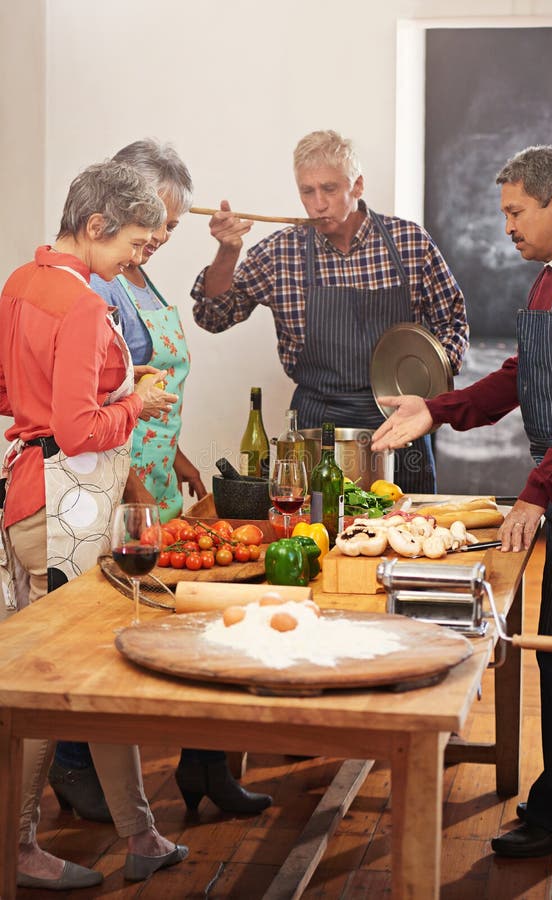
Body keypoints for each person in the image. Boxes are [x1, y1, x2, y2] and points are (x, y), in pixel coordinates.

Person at [371, 146, 552, 859]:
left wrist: (537, 491)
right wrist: (436, 408)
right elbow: (523, 374)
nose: (506, 226)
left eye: (515, 211)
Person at [50, 139, 272, 823]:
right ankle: (74, 764)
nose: (161, 238)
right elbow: (97, 396)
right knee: (99, 625)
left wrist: (172, 453)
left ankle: (205, 765)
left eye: (169, 226)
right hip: (115, 480)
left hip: (153, 466)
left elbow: (151, 381)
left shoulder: (138, 275)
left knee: (187, 621)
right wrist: (134, 490)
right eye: (155, 224)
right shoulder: (100, 280)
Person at [0, 159, 189, 889]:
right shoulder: (82, 304)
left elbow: (14, 391)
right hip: (68, 503)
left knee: (100, 665)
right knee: (48, 685)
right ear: (94, 226)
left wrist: (107, 390)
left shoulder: (21, 281)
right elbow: (80, 432)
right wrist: (136, 405)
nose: (140, 258)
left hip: (29, 496)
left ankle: (140, 834)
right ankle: (17, 848)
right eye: (136, 244)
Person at [190, 129, 469, 492]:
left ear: (358, 186)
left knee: (409, 532)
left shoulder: (410, 242)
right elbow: (213, 317)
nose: (318, 203)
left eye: (330, 189)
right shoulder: (280, 253)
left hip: (399, 421)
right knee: (317, 532)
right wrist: (228, 252)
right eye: (308, 191)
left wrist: (428, 388)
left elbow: (453, 321)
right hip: (317, 429)